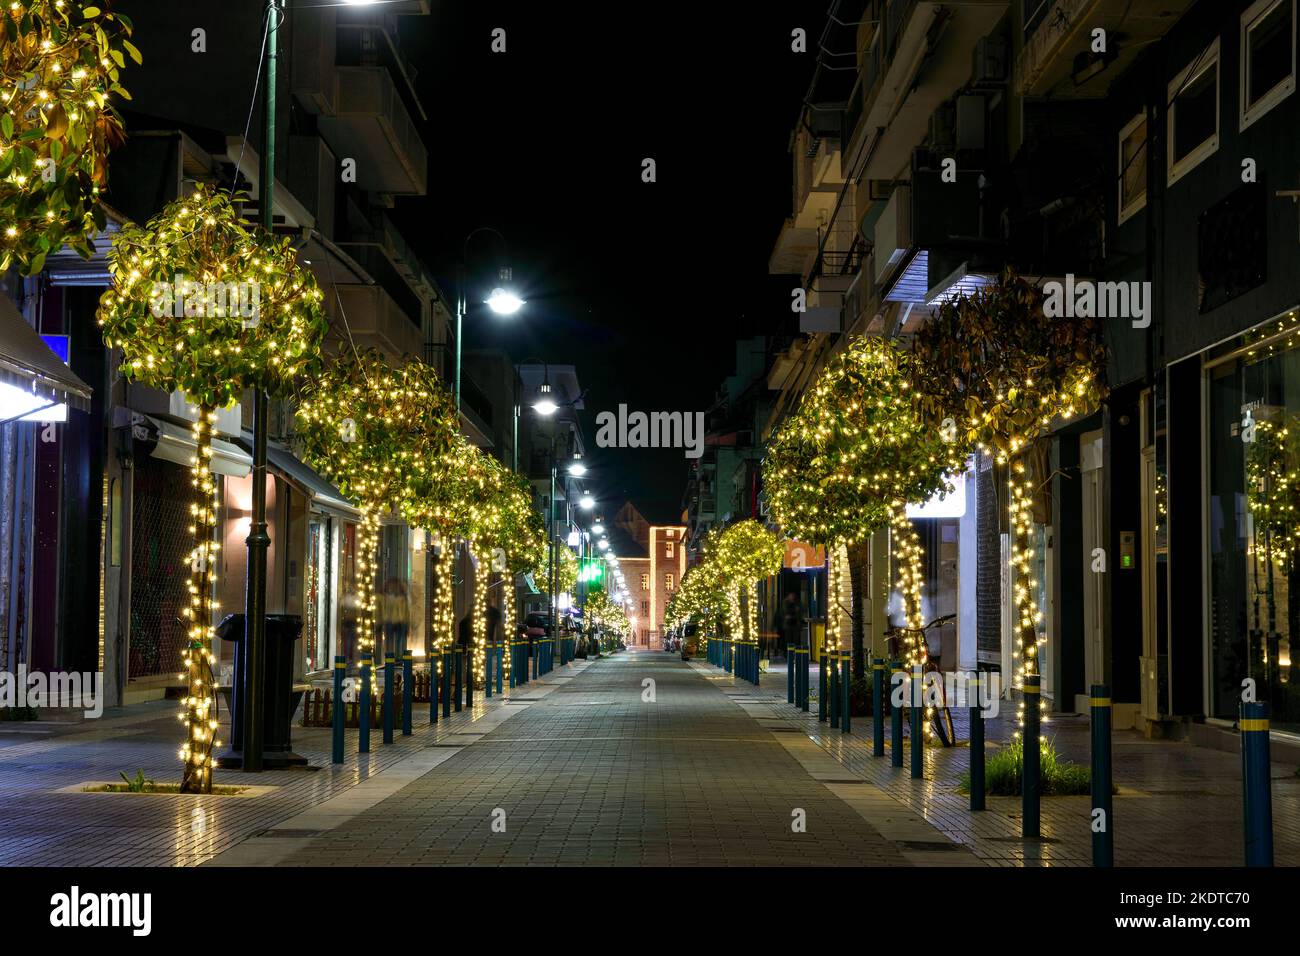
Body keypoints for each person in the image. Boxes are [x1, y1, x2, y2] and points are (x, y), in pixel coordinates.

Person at [380, 578, 409, 659]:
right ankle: (393, 656)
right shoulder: (391, 598)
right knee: (393, 640)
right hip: (393, 621)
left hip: (398, 621)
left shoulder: (401, 598)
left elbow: (405, 611)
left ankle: (396, 656)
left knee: (397, 640)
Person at [781, 591, 804, 660]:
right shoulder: (785, 603)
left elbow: (800, 611)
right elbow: (786, 612)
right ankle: (788, 654)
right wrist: (794, 610)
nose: (792, 597)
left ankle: (796, 654)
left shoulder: (797, 603)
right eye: (791, 595)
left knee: (796, 640)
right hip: (788, 624)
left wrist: (792, 613)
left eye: (793, 595)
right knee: (788, 640)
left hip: (795, 624)